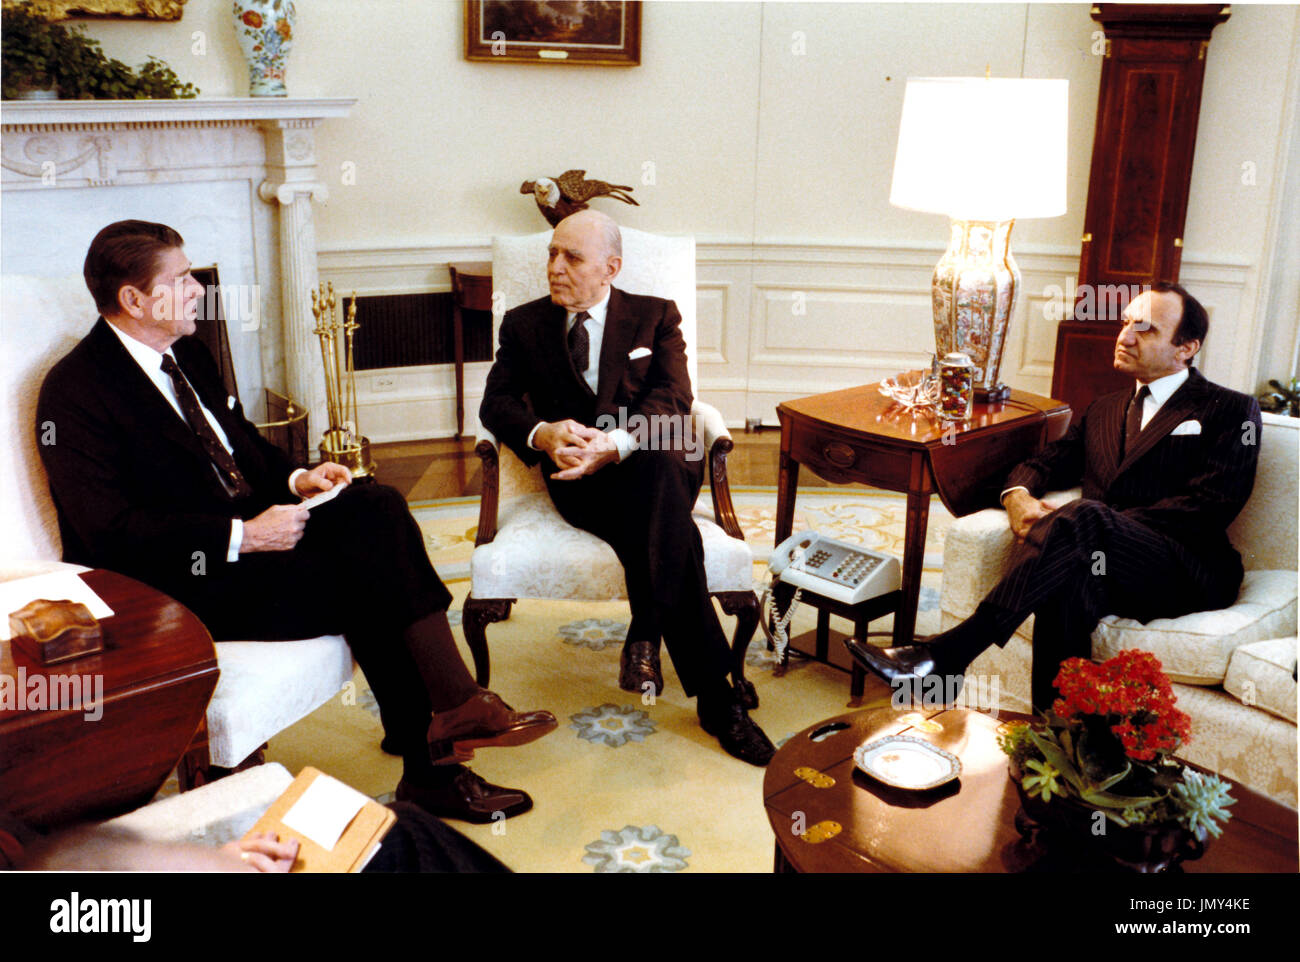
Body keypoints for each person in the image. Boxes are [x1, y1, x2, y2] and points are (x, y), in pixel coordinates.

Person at [37, 220, 558, 824]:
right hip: (178, 582)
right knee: (373, 576)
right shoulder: (74, 393)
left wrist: (296, 479)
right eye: (180, 280)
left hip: (254, 538)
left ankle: (451, 713)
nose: (198, 292)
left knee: (376, 505)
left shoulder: (187, 355)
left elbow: (241, 449)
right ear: (132, 299)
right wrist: (243, 536)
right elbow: (108, 532)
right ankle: (436, 751)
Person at [848, 282, 1263, 710]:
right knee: (1065, 576)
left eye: (1147, 330)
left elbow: (1211, 505)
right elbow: (1048, 460)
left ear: (1187, 347)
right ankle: (1055, 744)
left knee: (1082, 523)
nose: (1124, 336)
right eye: (1125, 324)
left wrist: (1098, 526)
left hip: (1184, 568)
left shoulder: (1231, 410)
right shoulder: (1104, 408)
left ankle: (950, 653)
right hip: (1100, 561)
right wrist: (1017, 496)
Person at [479, 209, 775, 766]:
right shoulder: (522, 325)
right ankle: (717, 696)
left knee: (662, 458)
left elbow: (673, 398)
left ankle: (651, 632)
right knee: (673, 534)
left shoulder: (654, 316)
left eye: (572, 257)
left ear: (610, 268)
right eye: (551, 254)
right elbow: (494, 403)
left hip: (652, 459)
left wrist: (612, 445)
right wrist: (543, 435)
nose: (555, 267)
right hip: (579, 483)